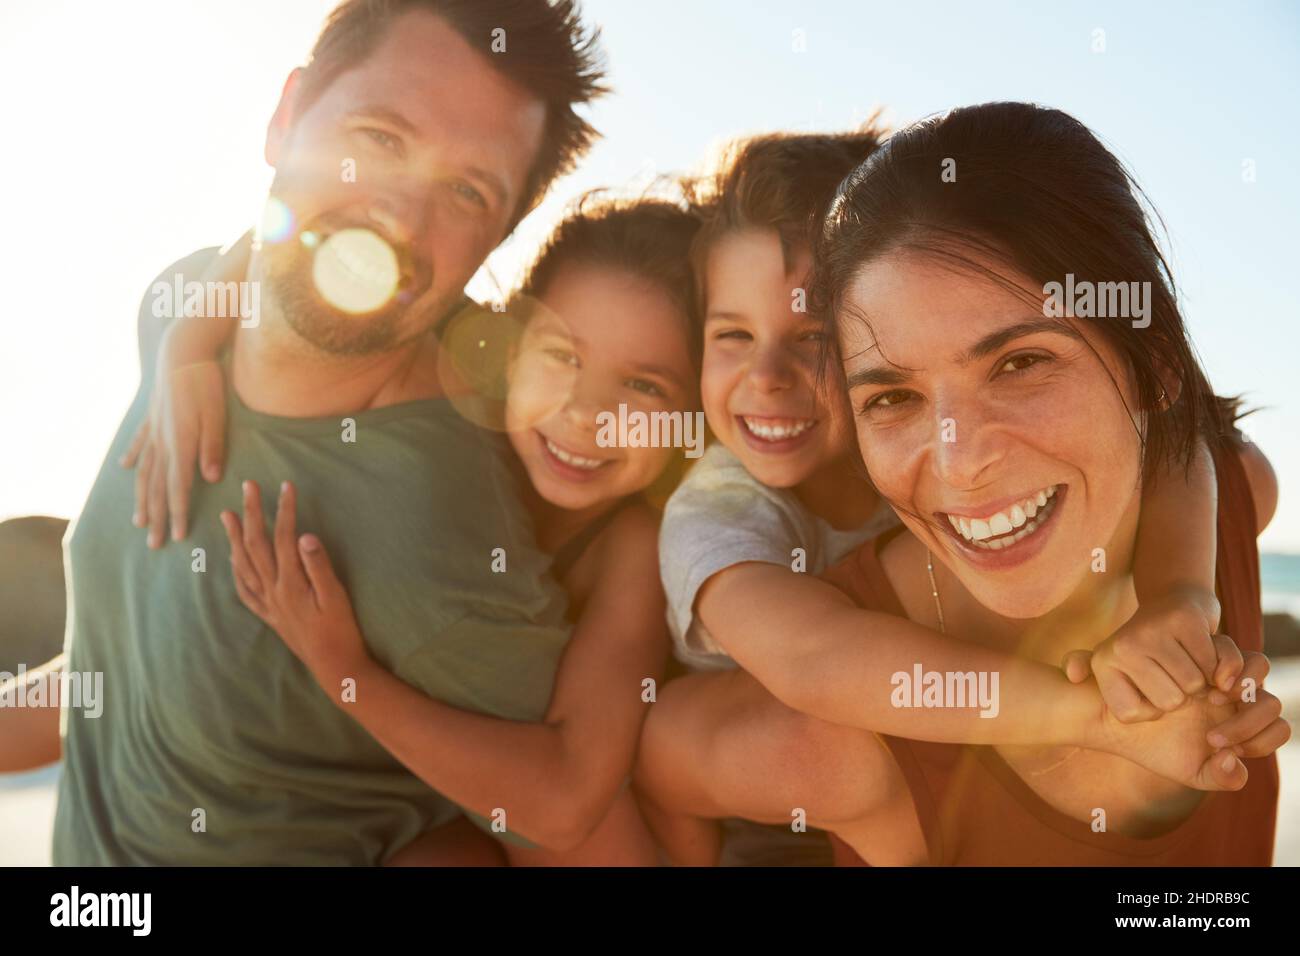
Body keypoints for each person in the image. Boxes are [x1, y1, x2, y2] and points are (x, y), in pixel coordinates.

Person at [0, 0, 613, 866]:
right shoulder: (180, 304)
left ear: (494, 244)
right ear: (286, 116)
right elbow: (121, 672)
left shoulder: (431, 526)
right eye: (380, 138)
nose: (400, 219)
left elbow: (561, 820)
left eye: (467, 192)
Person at [163, 196, 703, 864]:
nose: (587, 412)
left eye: (645, 387)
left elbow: (568, 804)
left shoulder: (634, 548)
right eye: (561, 354)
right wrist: (184, 349)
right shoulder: (448, 381)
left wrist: (344, 672)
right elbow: (296, 228)